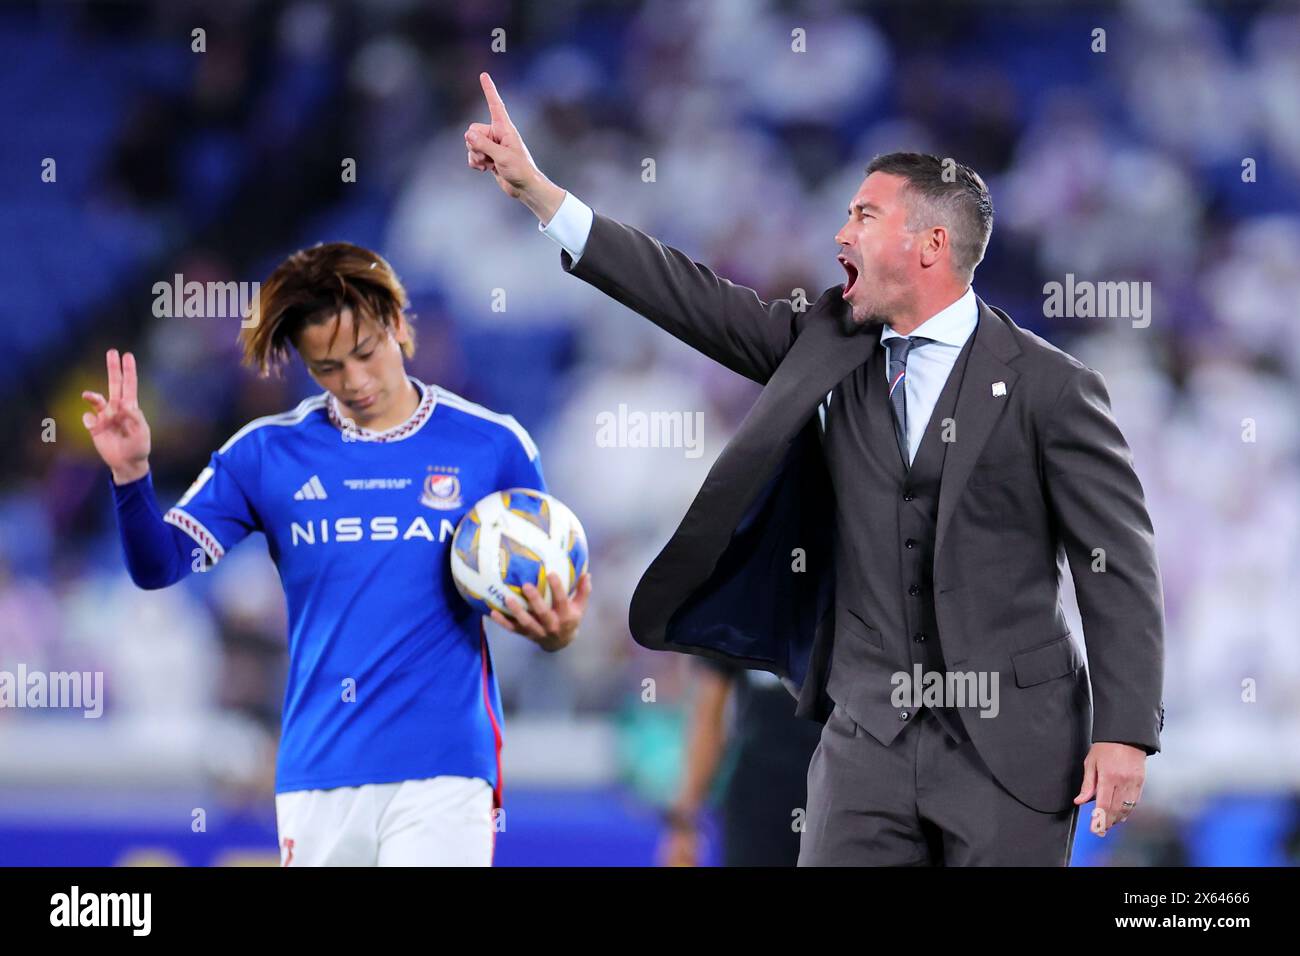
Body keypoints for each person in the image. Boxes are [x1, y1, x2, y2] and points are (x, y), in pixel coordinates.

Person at [466, 72, 1164, 865]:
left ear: (931, 244)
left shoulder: (1054, 387)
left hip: (1013, 745)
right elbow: (689, 297)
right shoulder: (826, 341)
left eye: (863, 215)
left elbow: (1119, 565)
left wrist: (1125, 731)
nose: (840, 234)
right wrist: (544, 199)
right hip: (864, 738)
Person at [81, 242, 591, 866]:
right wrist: (132, 476)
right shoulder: (265, 454)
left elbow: (545, 592)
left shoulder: (492, 445)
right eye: (327, 367)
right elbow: (158, 567)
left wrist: (558, 634)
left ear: (399, 326)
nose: (354, 381)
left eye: (366, 353)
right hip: (317, 772)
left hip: (444, 770)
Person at [659, 660, 823, 867]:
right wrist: (684, 823)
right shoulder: (742, 629)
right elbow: (708, 714)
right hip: (758, 801)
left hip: (839, 795)